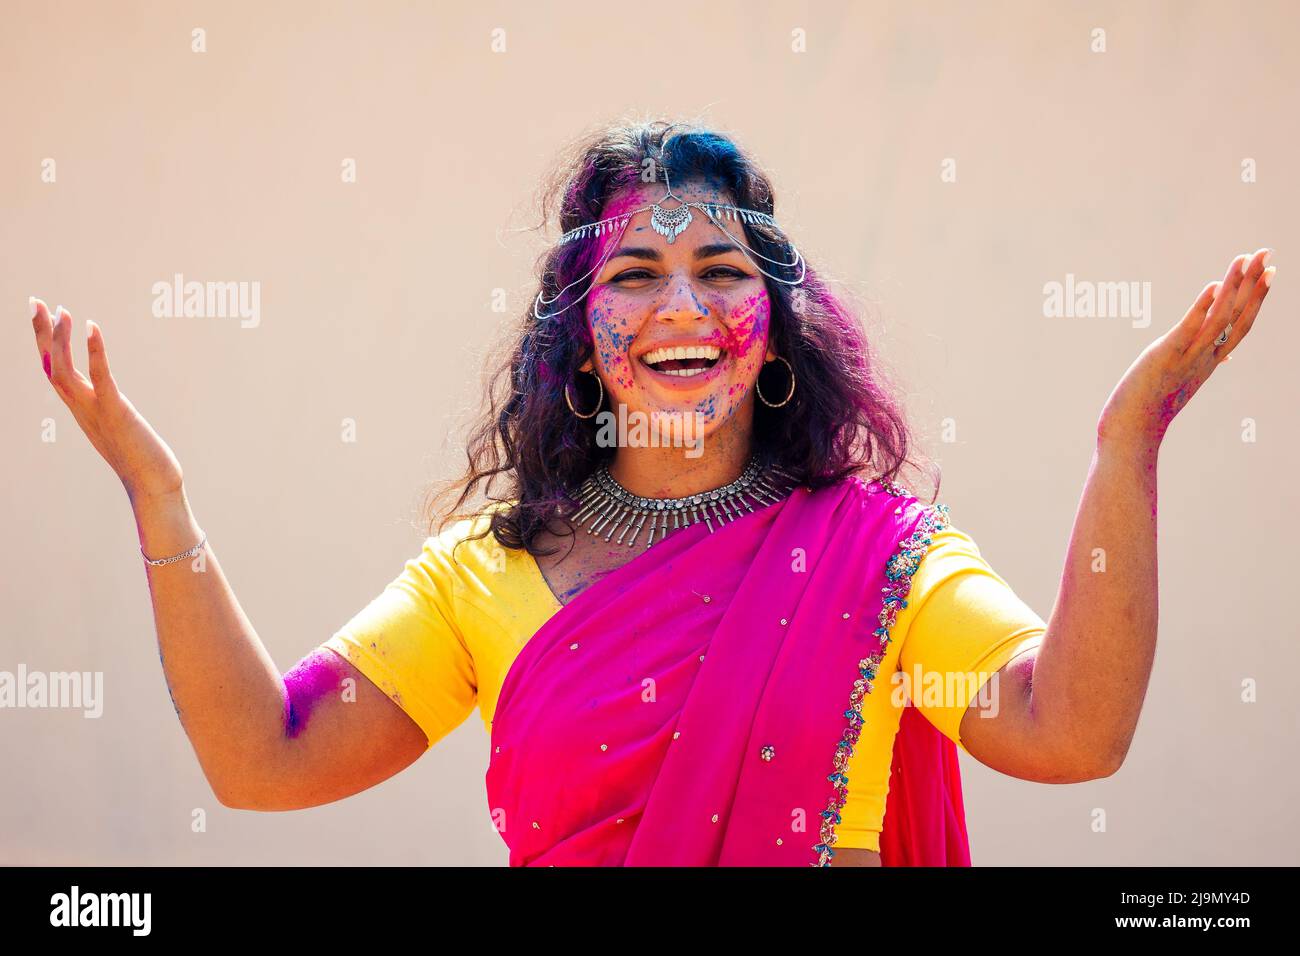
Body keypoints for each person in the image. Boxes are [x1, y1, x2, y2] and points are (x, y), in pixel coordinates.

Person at [28, 120, 1275, 867]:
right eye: (636, 272)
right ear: (579, 333)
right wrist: (162, 501)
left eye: (719, 270)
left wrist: (1128, 444)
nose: (681, 308)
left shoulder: (879, 555)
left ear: (776, 329)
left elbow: (1068, 729)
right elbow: (263, 757)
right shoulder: (484, 571)